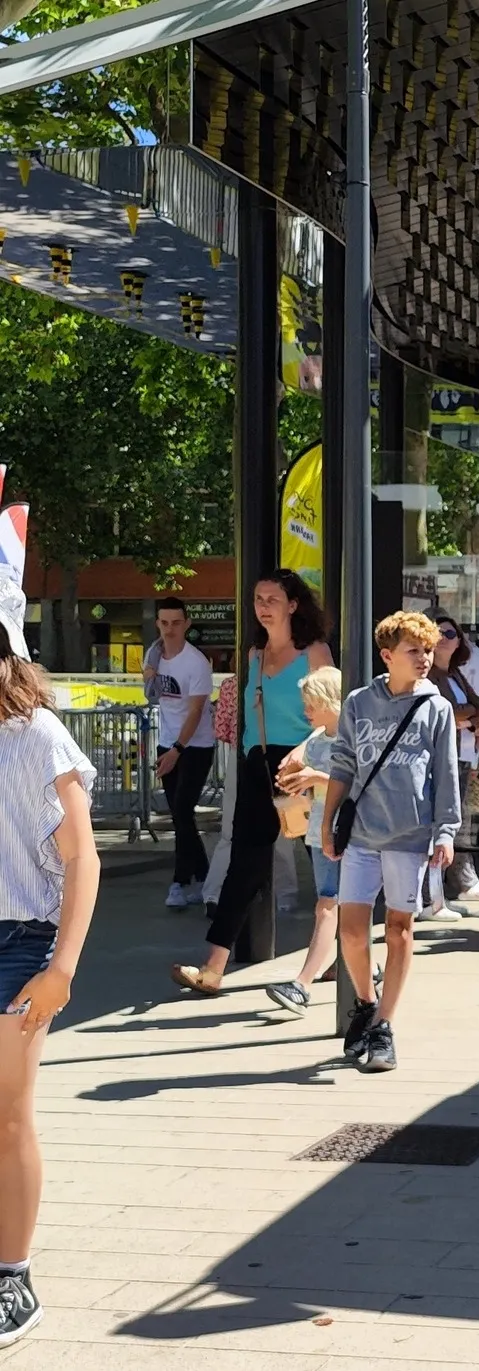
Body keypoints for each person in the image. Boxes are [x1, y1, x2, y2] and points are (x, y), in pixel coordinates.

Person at [0, 558, 100, 1351]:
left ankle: (13, 1277)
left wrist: (63, 964)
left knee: (6, 1117)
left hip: (18, 940)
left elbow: (82, 855)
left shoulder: (35, 733)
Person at [172, 571, 332, 995]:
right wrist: (248, 756)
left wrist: (306, 749)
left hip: (303, 764)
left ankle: (342, 957)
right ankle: (214, 966)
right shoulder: (255, 654)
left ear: (294, 604)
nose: (263, 606)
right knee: (245, 864)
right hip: (258, 762)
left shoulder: (314, 652)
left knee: (326, 864)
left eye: (273, 599)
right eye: (259, 599)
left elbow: (333, 715)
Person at [322, 611, 461, 1073]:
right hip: (361, 834)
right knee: (352, 932)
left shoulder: (435, 707)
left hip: (410, 835)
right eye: (413, 651)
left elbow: (446, 773)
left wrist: (445, 830)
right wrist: (327, 823)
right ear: (388, 656)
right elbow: (343, 764)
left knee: (400, 931)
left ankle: (384, 1026)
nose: (424, 658)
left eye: (427, 650)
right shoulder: (360, 702)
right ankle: (365, 1002)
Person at [263, 667, 345, 1015]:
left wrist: (315, 777)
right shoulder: (317, 738)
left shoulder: (346, 738)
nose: (306, 709)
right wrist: (298, 781)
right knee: (335, 904)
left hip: (343, 832)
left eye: (312, 702)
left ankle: (303, 984)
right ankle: (360, 966)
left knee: (328, 905)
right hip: (320, 830)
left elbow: (356, 782)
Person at [426, 616, 479, 918]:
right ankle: (430, 897)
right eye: (437, 632)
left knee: (456, 822)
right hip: (435, 760)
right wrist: (463, 716)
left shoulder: (454, 673)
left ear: (459, 641)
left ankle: (447, 889)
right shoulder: (427, 675)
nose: (443, 637)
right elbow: (443, 713)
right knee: (435, 826)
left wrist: (465, 717)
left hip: (459, 756)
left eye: (450, 633)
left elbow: (478, 708)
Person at [146, 598, 216, 907]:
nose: (170, 629)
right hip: (168, 741)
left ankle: (179, 882)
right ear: (158, 624)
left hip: (196, 745)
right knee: (179, 814)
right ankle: (203, 875)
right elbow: (151, 692)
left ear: (187, 624)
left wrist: (177, 749)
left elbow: (196, 711)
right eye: (165, 623)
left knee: (183, 810)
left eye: (176, 623)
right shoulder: (154, 655)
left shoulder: (196, 662)